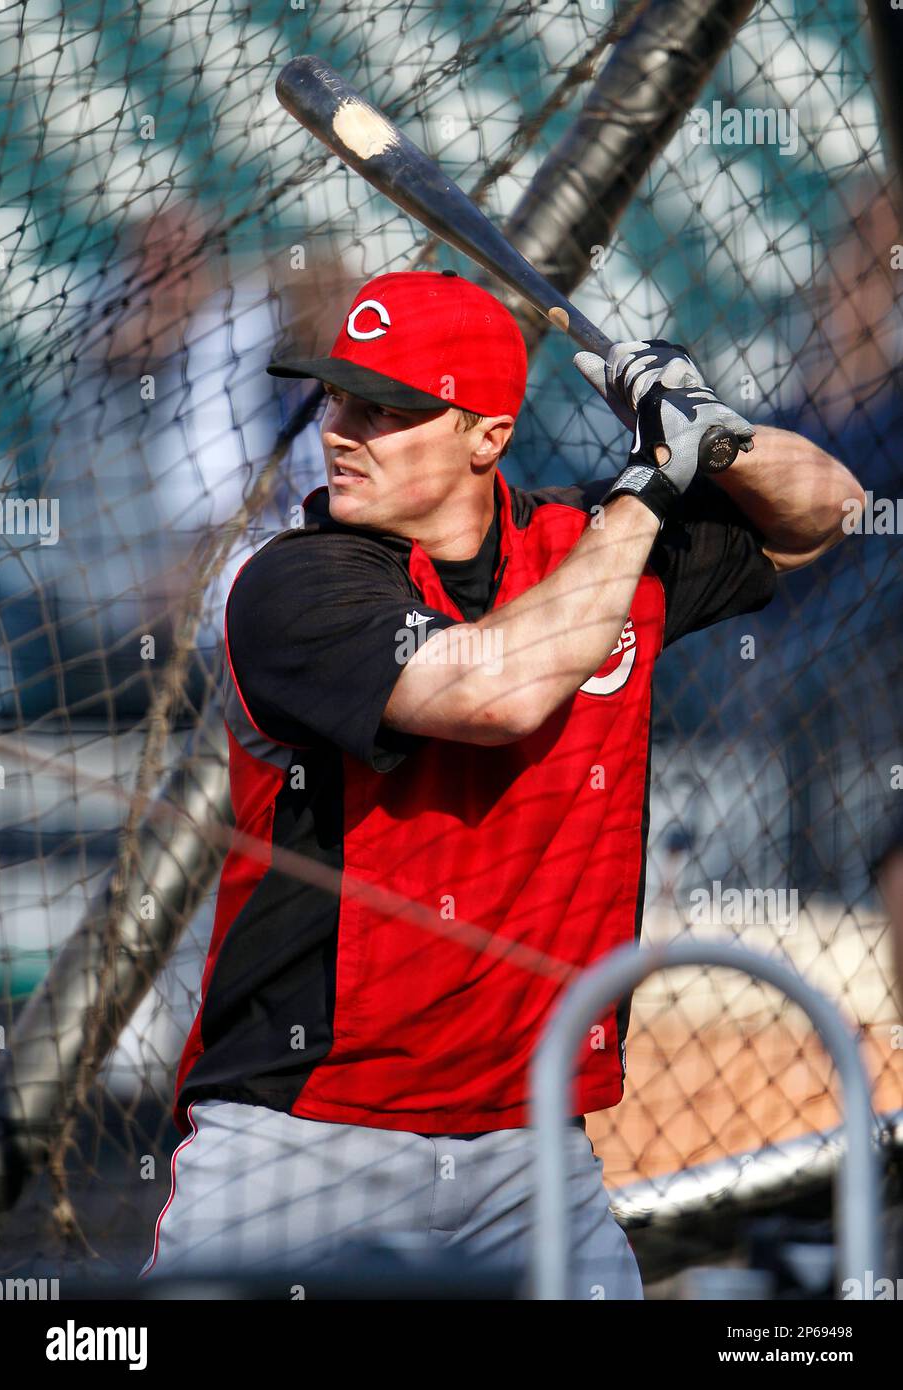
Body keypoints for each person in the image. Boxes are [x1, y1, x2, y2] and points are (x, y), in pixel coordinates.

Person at [142, 269, 863, 1298]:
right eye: (339, 398)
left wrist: (714, 431)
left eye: (387, 410)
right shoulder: (295, 582)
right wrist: (653, 485)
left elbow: (829, 509)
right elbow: (496, 692)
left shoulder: (593, 550)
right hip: (306, 1139)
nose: (342, 429)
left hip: (531, 1151)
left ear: (486, 435)